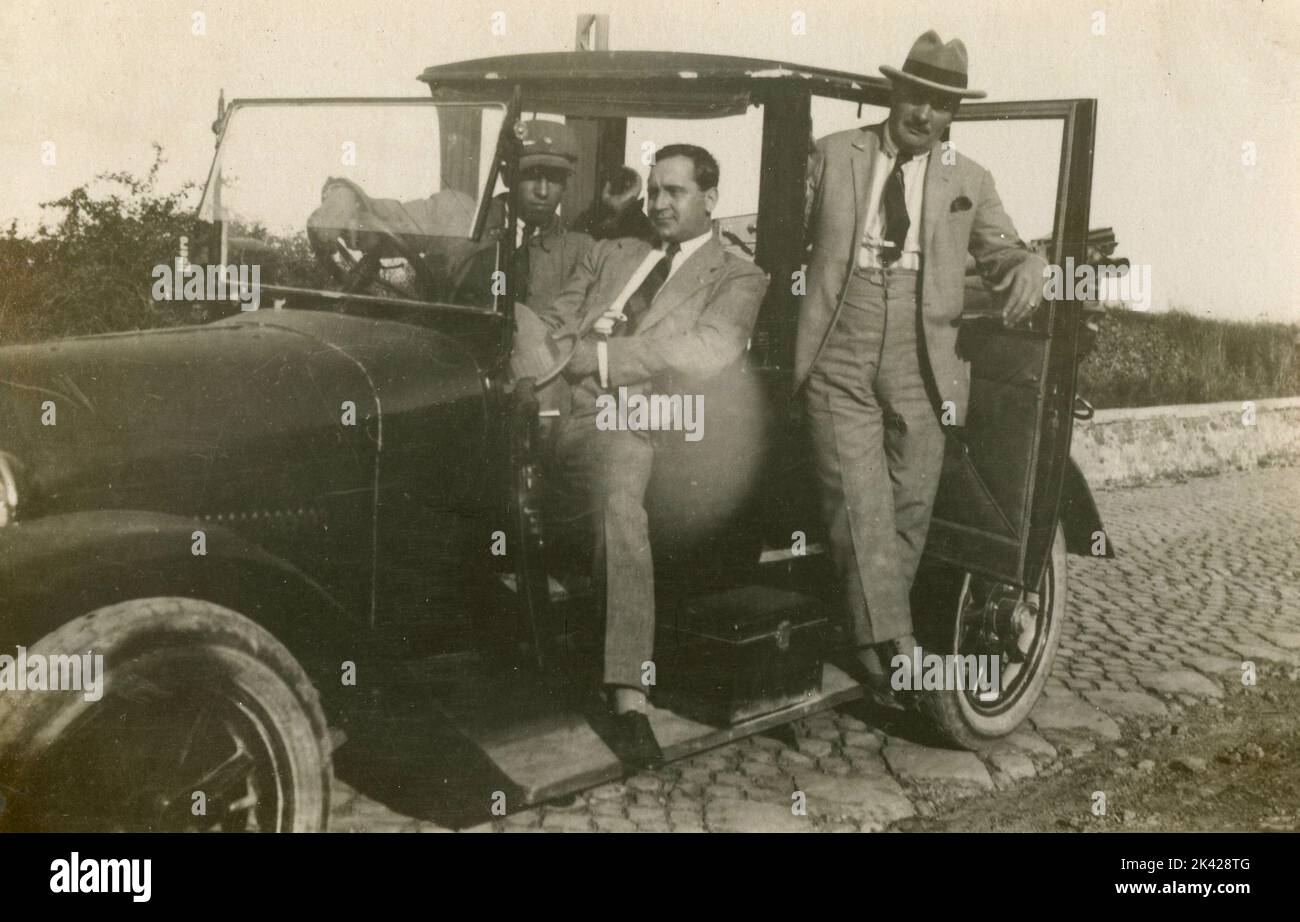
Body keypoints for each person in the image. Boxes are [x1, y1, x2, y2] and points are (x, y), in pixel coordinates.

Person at [795, 31, 1048, 699]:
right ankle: (894, 649)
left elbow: (1004, 249)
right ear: (896, 93)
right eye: (917, 97)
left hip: (926, 351)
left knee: (910, 501)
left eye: (942, 105)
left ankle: (870, 636)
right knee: (859, 497)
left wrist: (1033, 265)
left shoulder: (970, 177)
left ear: (953, 113)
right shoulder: (832, 154)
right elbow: (781, 237)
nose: (926, 114)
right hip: (840, 335)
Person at [525, 144, 767, 767]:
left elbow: (707, 350)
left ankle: (628, 692)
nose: (658, 203)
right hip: (552, 401)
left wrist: (604, 360)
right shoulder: (612, 253)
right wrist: (556, 366)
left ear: (710, 199)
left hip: (641, 415)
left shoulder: (738, 276)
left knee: (619, 485)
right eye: (654, 190)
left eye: (674, 192)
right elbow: (555, 320)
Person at [573, 166, 655, 242]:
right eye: (617, 184)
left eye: (626, 185)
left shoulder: (642, 224)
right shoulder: (588, 217)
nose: (623, 188)